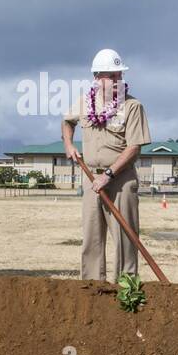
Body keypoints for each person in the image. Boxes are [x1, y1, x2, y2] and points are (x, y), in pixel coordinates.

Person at [63, 49, 152, 281]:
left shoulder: (132, 106)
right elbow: (67, 121)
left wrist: (109, 174)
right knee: (91, 238)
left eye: (118, 75)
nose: (116, 81)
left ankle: (125, 289)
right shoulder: (84, 102)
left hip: (120, 180)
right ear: (97, 78)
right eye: (111, 76)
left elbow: (134, 147)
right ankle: (92, 289)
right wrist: (68, 144)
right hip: (91, 177)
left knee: (125, 238)